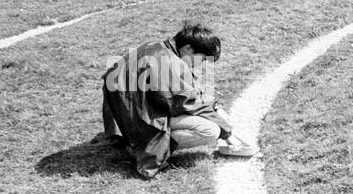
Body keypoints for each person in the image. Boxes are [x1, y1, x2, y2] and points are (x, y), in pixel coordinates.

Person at [100, 23, 257, 179]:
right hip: (140, 122)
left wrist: (214, 107)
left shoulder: (156, 47)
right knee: (211, 130)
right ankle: (144, 149)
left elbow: (186, 90)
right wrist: (225, 131)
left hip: (125, 118)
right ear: (188, 48)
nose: (201, 64)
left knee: (214, 117)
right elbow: (185, 103)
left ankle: (132, 143)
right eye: (201, 59)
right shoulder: (169, 62)